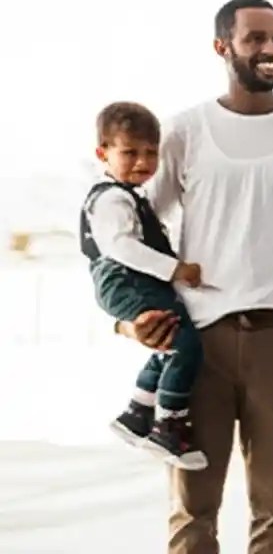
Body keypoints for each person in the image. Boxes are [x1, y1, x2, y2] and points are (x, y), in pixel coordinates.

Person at [145, 0, 273, 554]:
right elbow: (137, 232)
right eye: (256, 39)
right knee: (192, 509)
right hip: (200, 341)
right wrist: (134, 318)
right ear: (223, 47)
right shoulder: (183, 132)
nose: (271, 50)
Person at [84, 101, 208, 471]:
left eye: (151, 152)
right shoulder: (111, 198)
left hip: (127, 279)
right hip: (124, 279)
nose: (142, 161)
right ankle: (169, 425)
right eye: (129, 152)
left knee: (169, 340)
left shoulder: (128, 195)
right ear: (102, 153)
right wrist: (176, 269)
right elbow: (121, 246)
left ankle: (138, 412)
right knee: (186, 345)